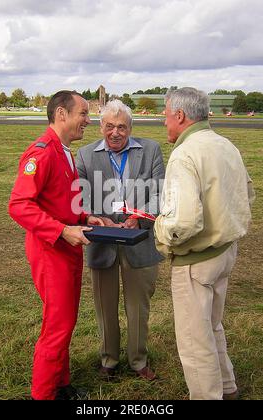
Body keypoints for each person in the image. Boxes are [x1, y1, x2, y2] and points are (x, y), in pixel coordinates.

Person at [154, 87, 255, 400]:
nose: (164, 122)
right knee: (212, 326)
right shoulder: (225, 145)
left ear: (180, 116)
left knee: (194, 342)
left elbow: (183, 223)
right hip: (226, 251)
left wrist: (160, 232)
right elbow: (248, 194)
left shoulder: (184, 155)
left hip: (196, 263)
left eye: (166, 116)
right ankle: (227, 387)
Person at [8, 90, 104, 400]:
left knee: (65, 321)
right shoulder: (42, 153)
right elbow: (19, 205)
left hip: (67, 246)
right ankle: (44, 394)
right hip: (51, 251)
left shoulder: (64, 150)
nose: (88, 120)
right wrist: (62, 230)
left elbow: (62, 201)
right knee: (57, 326)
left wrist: (86, 217)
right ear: (61, 114)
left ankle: (61, 385)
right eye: (83, 114)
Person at [76, 100, 165, 380]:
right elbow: (79, 196)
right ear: (101, 126)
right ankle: (109, 359)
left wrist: (140, 216)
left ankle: (138, 360)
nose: (115, 132)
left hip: (140, 240)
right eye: (110, 126)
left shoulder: (150, 150)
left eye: (122, 127)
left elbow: (160, 194)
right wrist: (93, 216)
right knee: (105, 305)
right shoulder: (85, 154)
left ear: (130, 127)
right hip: (102, 242)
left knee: (138, 306)